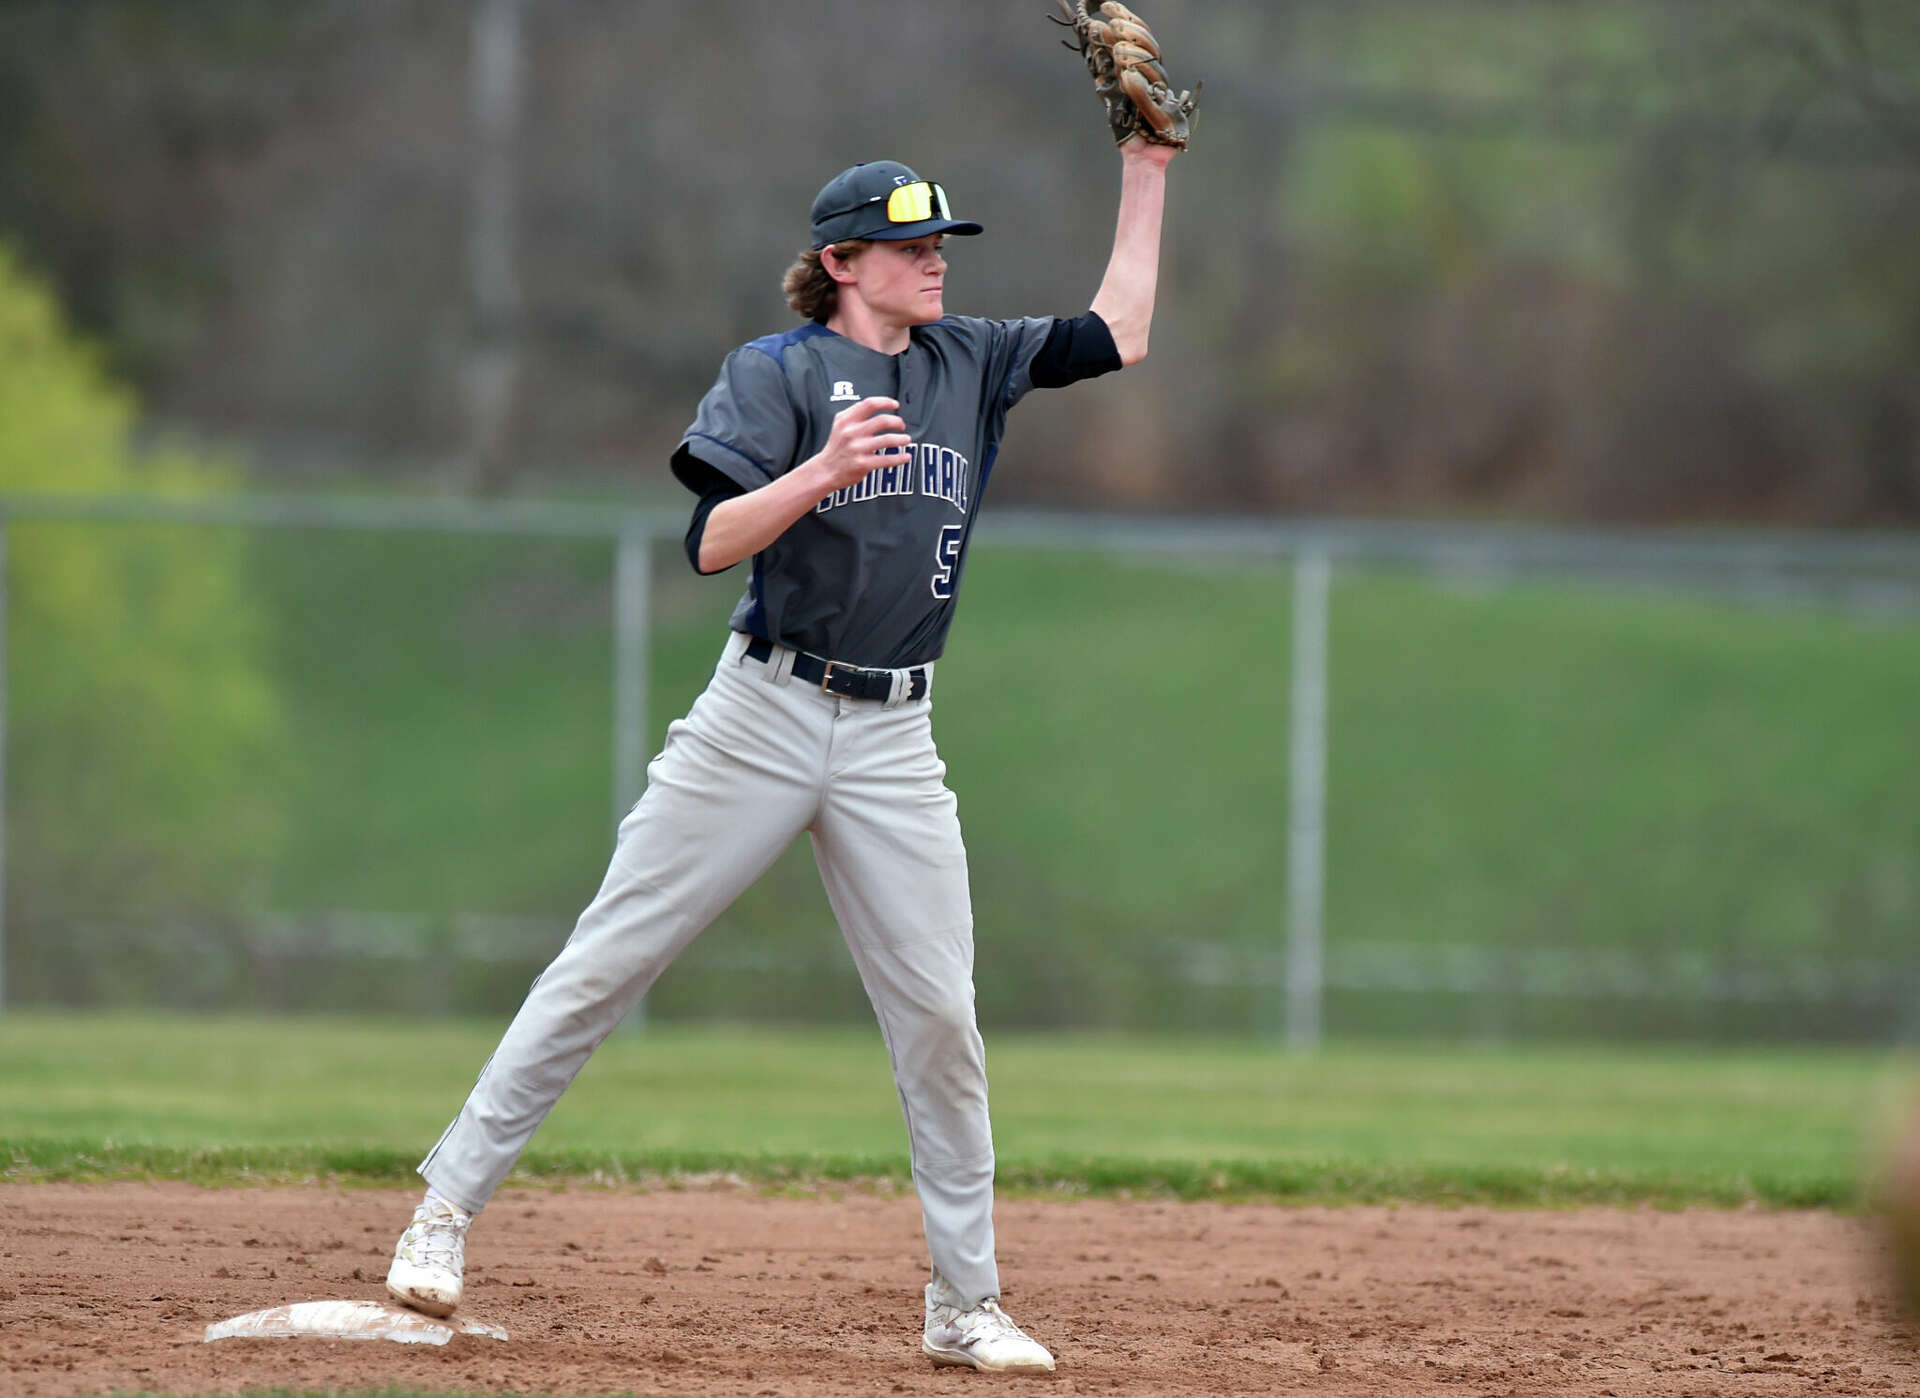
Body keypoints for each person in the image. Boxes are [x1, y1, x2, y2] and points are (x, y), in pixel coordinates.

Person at [384, 136, 1178, 1375]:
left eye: (941, 244)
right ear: (842, 261)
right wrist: (820, 470)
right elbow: (711, 544)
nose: (936, 263)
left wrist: (1147, 167)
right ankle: (443, 1212)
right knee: (608, 959)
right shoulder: (779, 371)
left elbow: (1119, 331)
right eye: (911, 246)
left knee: (941, 1019)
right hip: (761, 713)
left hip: (895, 734)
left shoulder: (969, 359)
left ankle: (965, 1303)